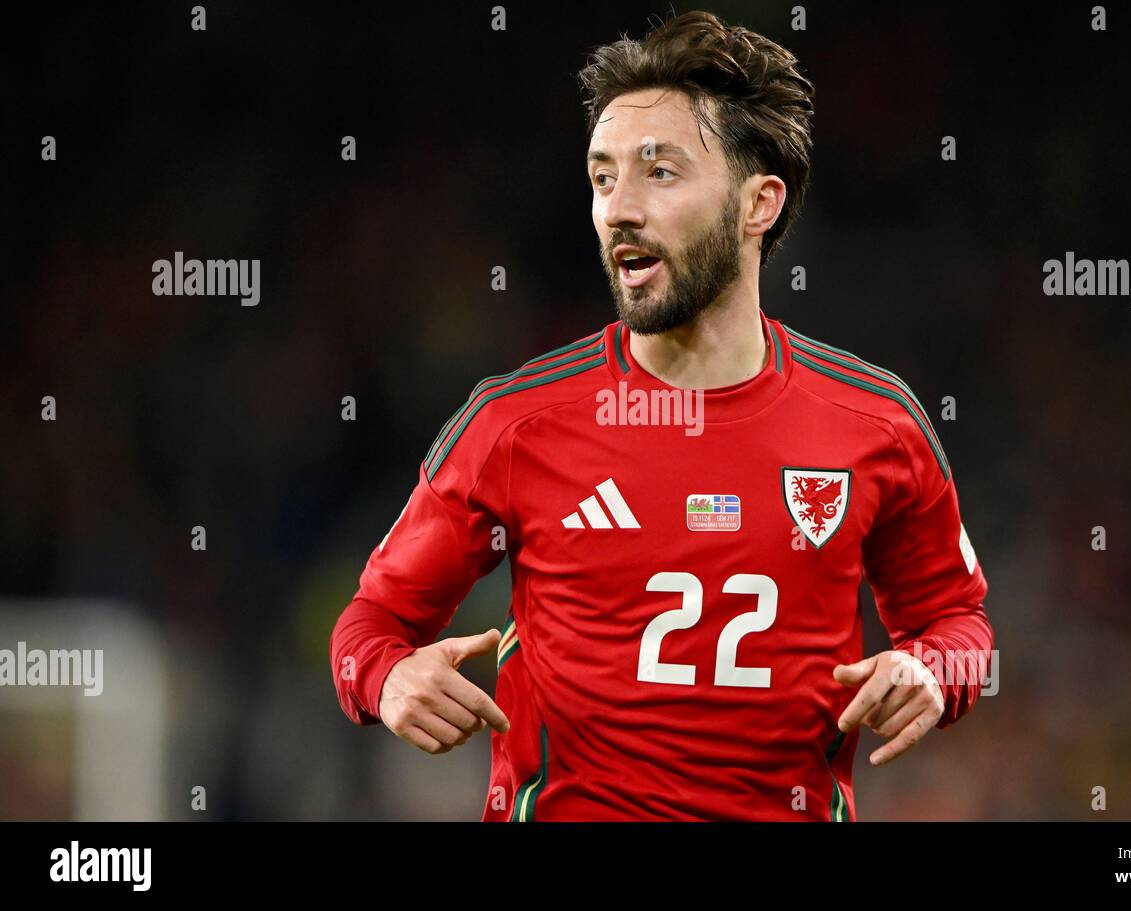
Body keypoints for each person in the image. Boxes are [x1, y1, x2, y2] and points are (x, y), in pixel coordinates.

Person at [329, 10, 993, 821]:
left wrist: (931, 670)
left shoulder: (876, 424)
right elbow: (372, 622)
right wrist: (387, 675)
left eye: (660, 173)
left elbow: (957, 622)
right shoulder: (515, 423)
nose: (619, 209)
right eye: (603, 177)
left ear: (760, 204)